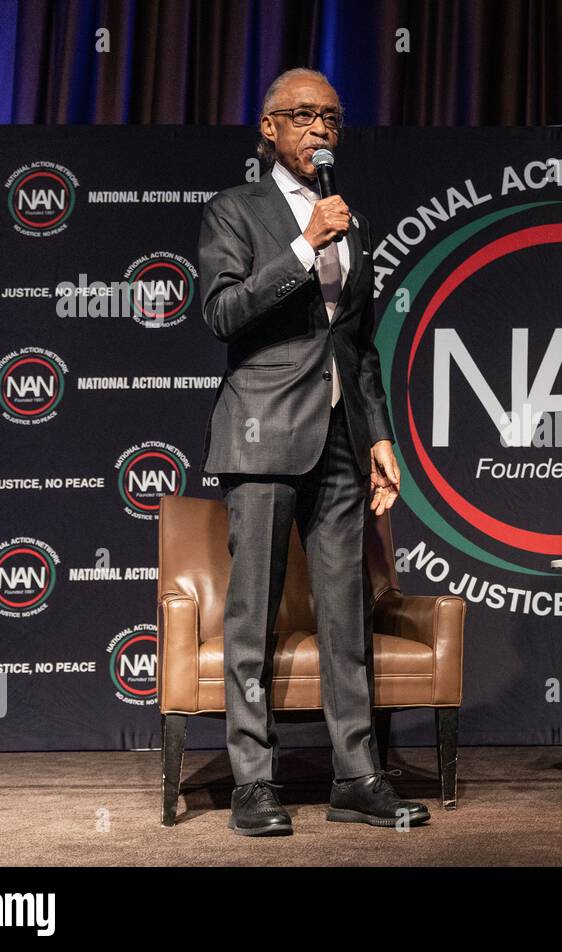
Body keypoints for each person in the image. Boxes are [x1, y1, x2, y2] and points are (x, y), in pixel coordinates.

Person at [198, 67, 429, 835]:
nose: (318, 130)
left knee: (346, 617)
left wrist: (381, 438)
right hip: (262, 434)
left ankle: (358, 776)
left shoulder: (351, 222)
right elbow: (224, 312)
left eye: (330, 117)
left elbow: (356, 345)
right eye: (301, 116)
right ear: (268, 129)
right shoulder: (235, 211)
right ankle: (253, 784)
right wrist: (302, 245)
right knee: (251, 617)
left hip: (338, 440)